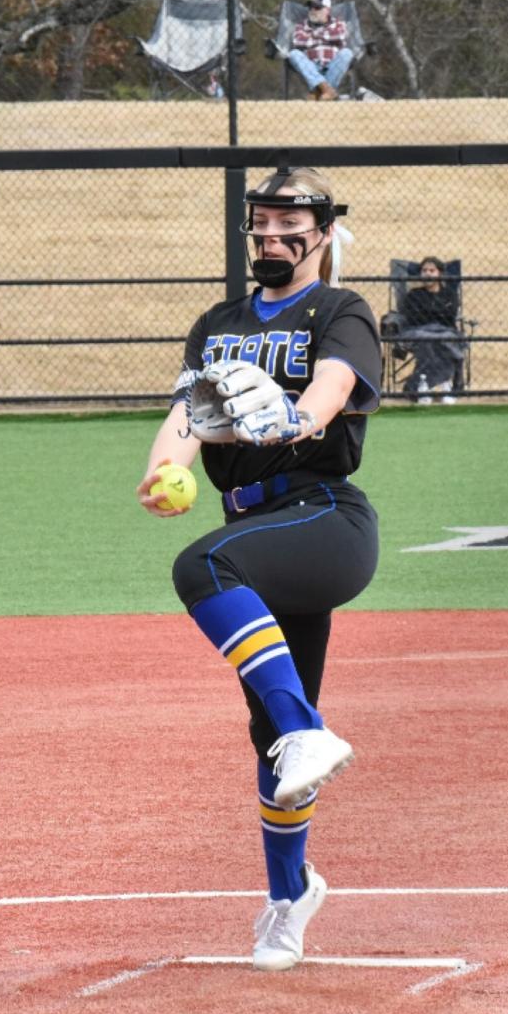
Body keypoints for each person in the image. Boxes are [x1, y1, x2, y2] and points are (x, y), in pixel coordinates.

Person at [136, 167, 382, 972]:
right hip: (253, 524)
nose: (272, 236)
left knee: (204, 565)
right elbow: (189, 412)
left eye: (289, 224)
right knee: (272, 738)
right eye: (262, 223)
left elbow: (333, 387)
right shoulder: (219, 323)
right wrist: (163, 469)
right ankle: (289, 898)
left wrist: (293, 418)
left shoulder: (338, 309)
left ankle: (308, 733)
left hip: (324, 515)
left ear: (322, 233)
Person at [400, 257, 463, 405]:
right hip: (418, 331)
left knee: (446, 340)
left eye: (432, 270)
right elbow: (414, 318)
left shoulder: (449, 294)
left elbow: (450, 316)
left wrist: (428, 313)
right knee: (428, 341)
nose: (427, 273)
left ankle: (421, 385)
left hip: (444, 332)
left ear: (440, 274)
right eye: (424, 270)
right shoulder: (414, 295)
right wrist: (438, 313)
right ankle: (440, 384)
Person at [286, 0, 354, 101]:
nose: (313, 10)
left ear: (327, 10)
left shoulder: (338, 24)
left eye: (317, 7)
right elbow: (297, 41)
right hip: (311, 66)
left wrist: (312, 36)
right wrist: (327, 37)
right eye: (310, 7)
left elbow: (340, 36)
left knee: (347, 53)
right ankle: (327, 90)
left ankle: (317, 91)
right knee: (294, 54)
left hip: (332, 65)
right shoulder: (301, 25)